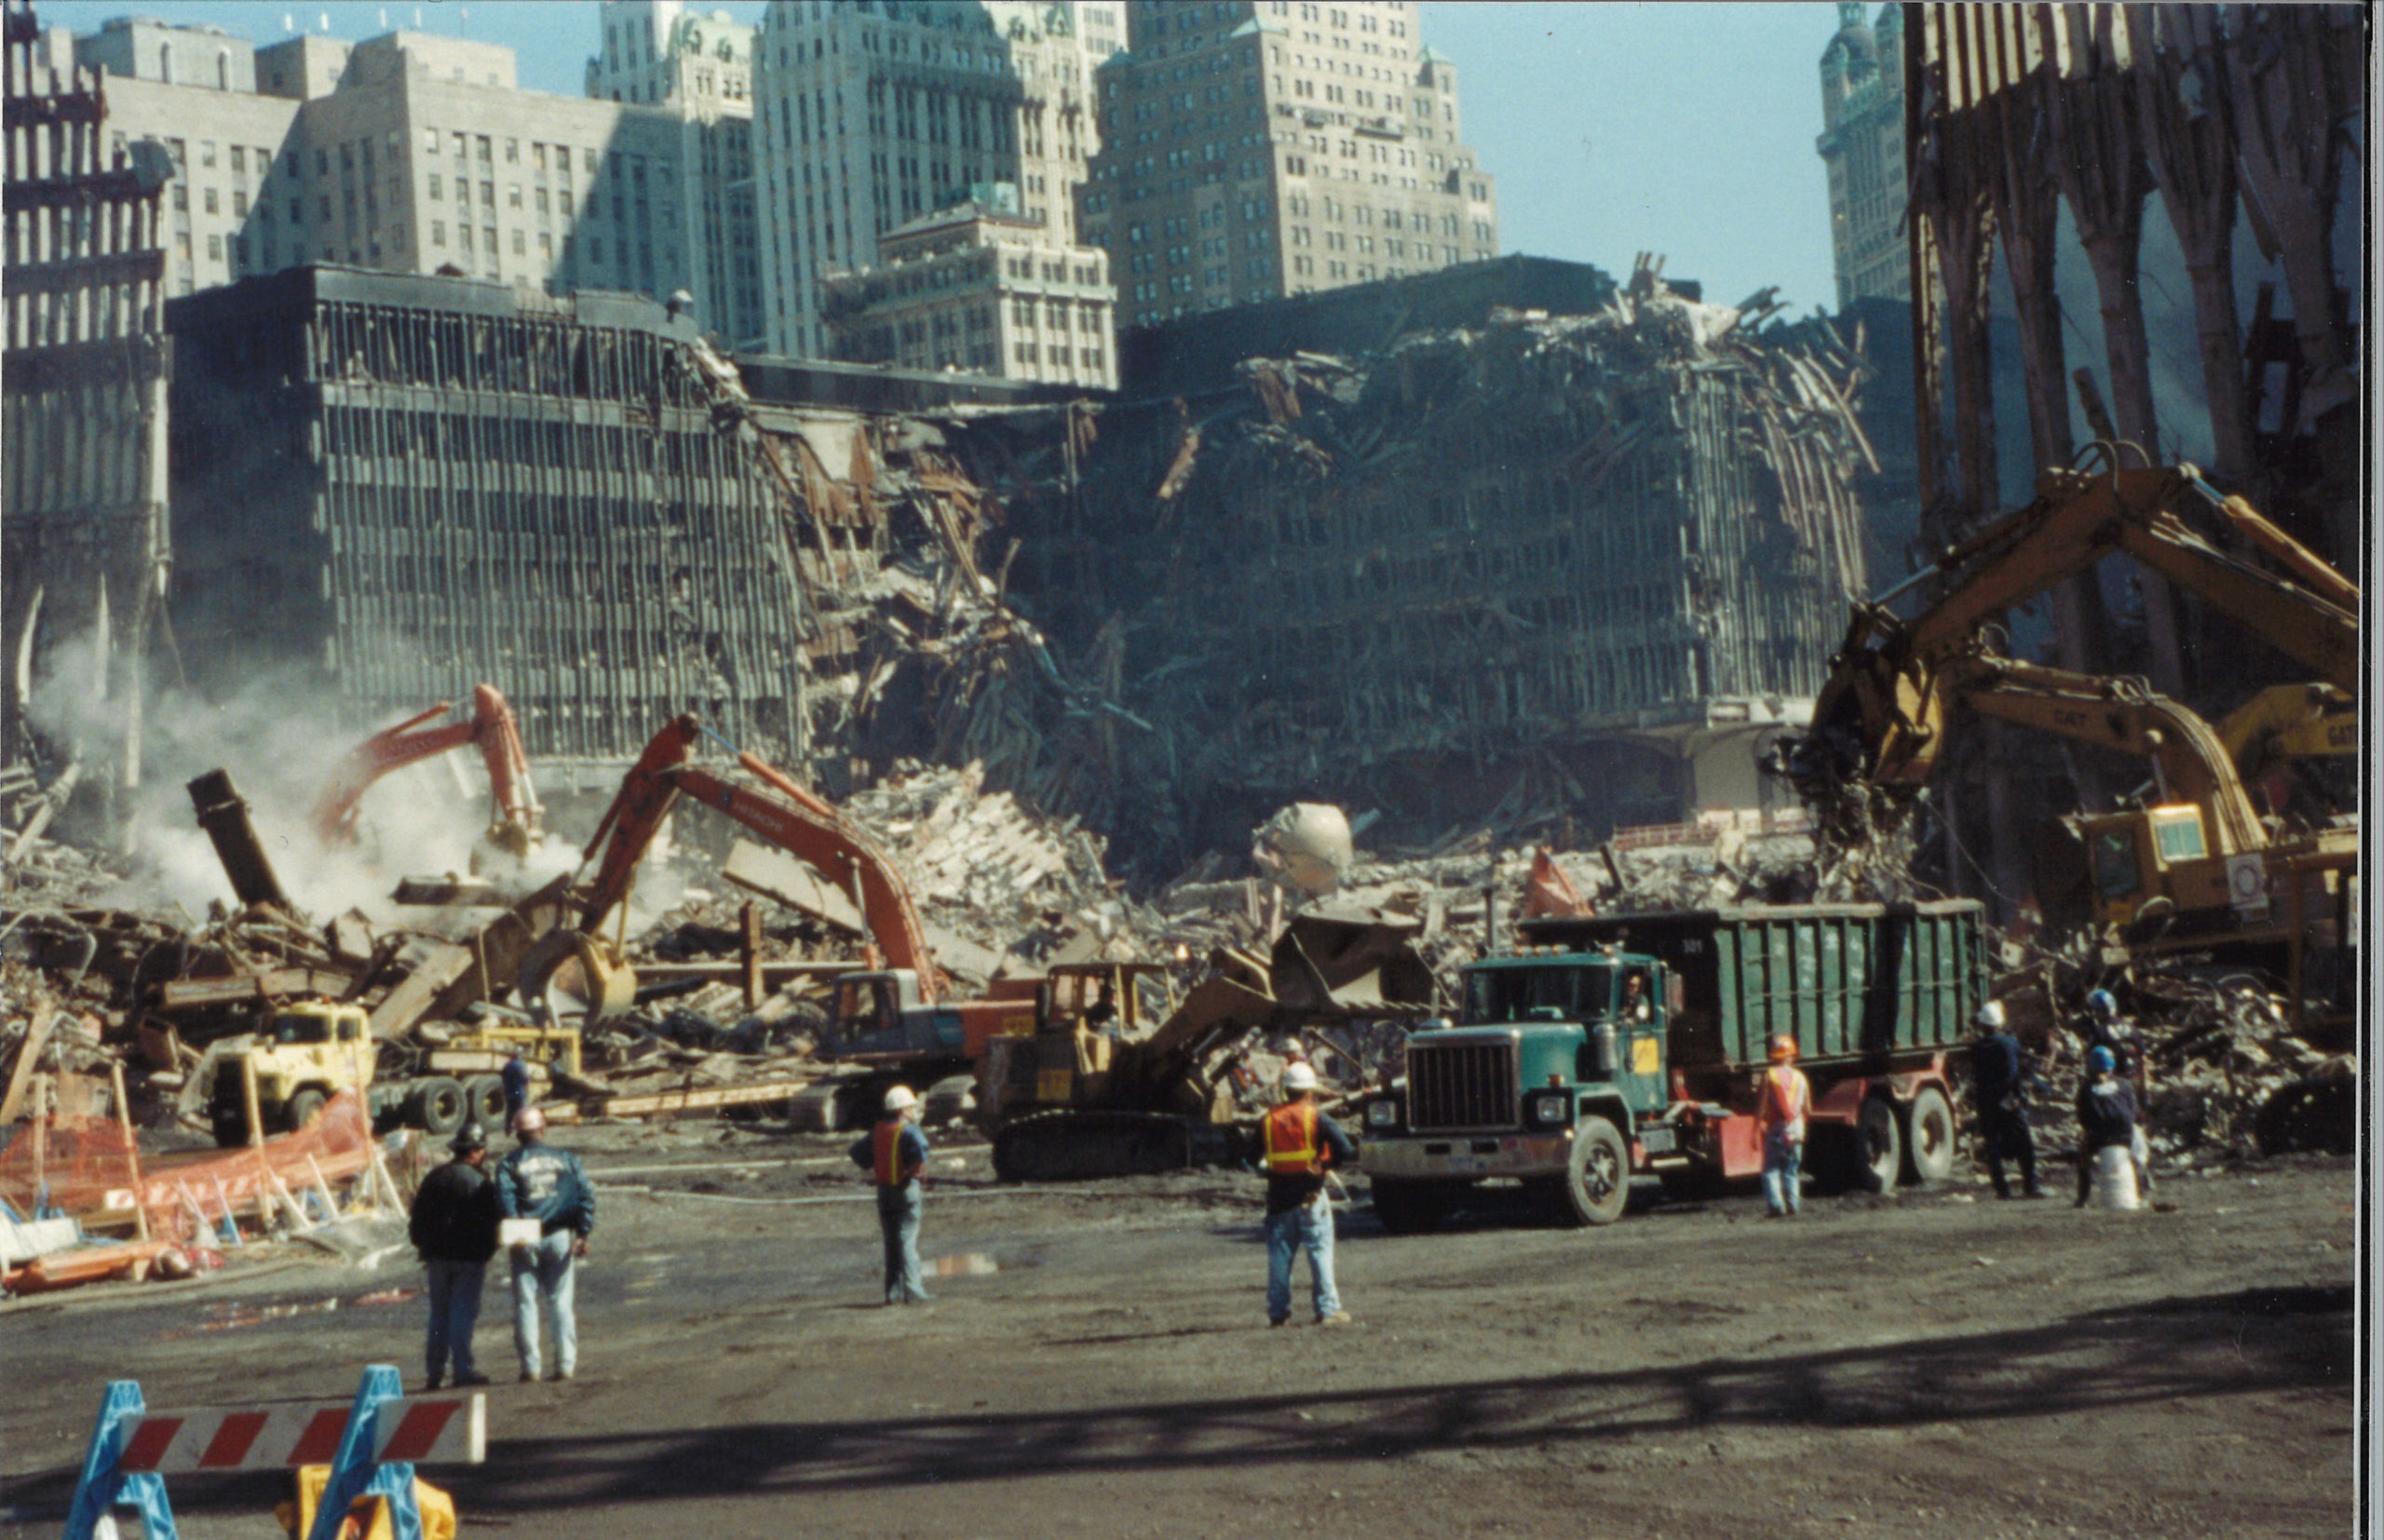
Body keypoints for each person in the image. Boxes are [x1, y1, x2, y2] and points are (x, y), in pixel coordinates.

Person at [495, 1106, 595, 1382]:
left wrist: (516, 1227)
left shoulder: (508, 1163)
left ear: (518, 1134)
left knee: (526, 1303)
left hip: (523, 1232)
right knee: (560, 1301)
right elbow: (585, 1195)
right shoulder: (566, 1159)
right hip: (559, 1234)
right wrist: (583, 1233)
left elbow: (505, 1201)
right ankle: (565, 1364)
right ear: (542, 1128)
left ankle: (531, 1367)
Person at [1260, 1062, 1357, 1327]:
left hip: (1279, 1199)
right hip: (1311, 1196)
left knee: (1280, 1257)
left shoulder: (1268, 1120)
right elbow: (1345, 1149)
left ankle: (1277, 1313)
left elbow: (1247, 1156)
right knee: (1320, 1252)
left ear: (1286, 1090)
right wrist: (1324, 1166)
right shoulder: (1316, 1117)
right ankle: (1327, 1310)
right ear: (1308, 1091)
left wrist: (1269, 1171)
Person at [407, 1123, 498, 1392]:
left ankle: (434, 1371)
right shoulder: (480, 1182)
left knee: (439, 1315)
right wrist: (487, 1251)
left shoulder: (435, 1177)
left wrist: (423, 1246)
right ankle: (463, 1369)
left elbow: (418, 1218)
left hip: (437, 1258)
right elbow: (491, 1223)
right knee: (462, 1313)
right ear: (476, 1151)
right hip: (469, 1258)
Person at [849, 1085, 931, 1305]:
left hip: (884, 1191)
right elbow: (921, 1150)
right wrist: (916, 1172)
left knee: (891, 1243)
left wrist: (881, 1165)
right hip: (905, 1190)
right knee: (907, 1239)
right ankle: (913, 1291)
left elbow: (857, 1154)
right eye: (912, 1107)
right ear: (903, 1109)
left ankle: (892, 1293)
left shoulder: (878, 1130)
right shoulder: (909, 1130)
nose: (914, 1111)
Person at [1969, 1001, 2043, 1199]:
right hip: (2009, 1099)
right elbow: (2019, 1066)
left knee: (1992, 1145)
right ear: (1999, 1023)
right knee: (2024, 1142)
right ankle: (2031, 1185)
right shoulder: (2009, 1042)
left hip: (1986, 1102)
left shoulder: (1976, 1047)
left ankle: (2002, 1190)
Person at [2082, 989, 2153, 1194]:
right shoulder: (2131, 1028)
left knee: (2107, 1135)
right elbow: (2143, 1061)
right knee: (2137, 1135)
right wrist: (2143, 1090)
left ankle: (2086, 1192)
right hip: (2133, 1085)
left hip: (2113, 1087)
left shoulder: (2100, 1032)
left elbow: (2094, 1064)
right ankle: (2144, 1176)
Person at [2074, 1045, 2141, 1208]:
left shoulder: (2087, 1088)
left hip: (2101, 1135)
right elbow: (2133, 1109)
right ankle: (2142, 1188)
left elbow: (2083, 1116)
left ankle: (2083, 1197)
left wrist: (2089, 1131)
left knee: (2083, 1158)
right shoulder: (2124, 1084)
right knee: (2137, 1156)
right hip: (2125, 1133)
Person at [1754, 1035, 1810, 1218]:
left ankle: (1776, 1206)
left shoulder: (1769, 1076)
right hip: (1796, 1128)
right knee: (1791, 1169)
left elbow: (1761, 1108)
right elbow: (1808, 1109)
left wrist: (1755, 1132)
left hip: (1777, 1128)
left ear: (1774, 1056)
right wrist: (1801, 1128)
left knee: (1771, 1169)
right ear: (1791, 1056)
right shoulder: (1801, 1078)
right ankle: (1793, 1205)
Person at [500, 1050, 531, 1134]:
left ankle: (508, 1129)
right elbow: (525, 1078)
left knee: (510, 1111)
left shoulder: (507, 1065)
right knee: (522, 1110)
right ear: (520, 1055)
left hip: (509, 1092)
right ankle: (523, 1128)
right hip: (518, 1091)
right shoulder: (521, 1064)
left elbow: (502, 1076)